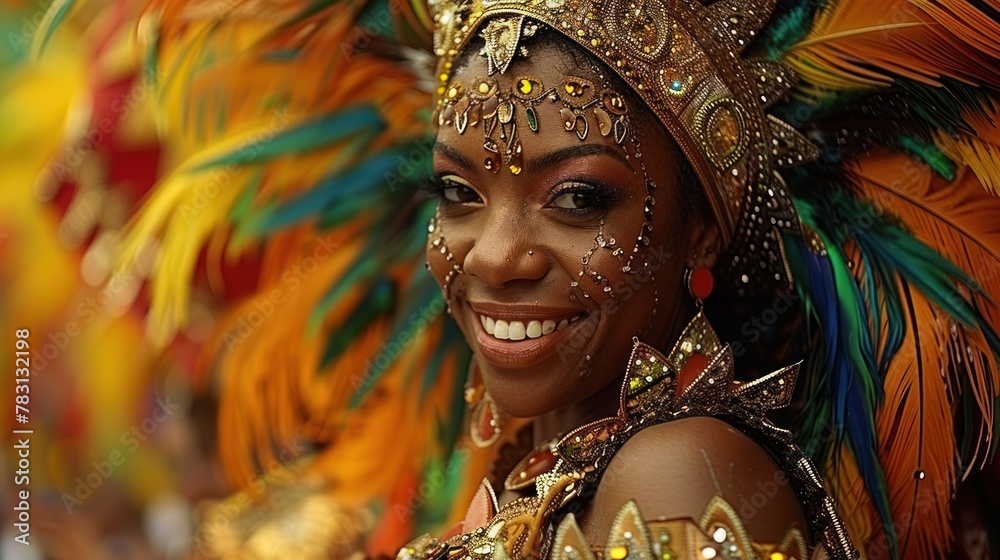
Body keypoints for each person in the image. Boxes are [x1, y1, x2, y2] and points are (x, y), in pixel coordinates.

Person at [87, 0, 1000, 557]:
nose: (493, 254)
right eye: (459, 190)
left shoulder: (680, 470)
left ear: (703, 235)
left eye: (575, 198)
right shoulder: (554, 472)